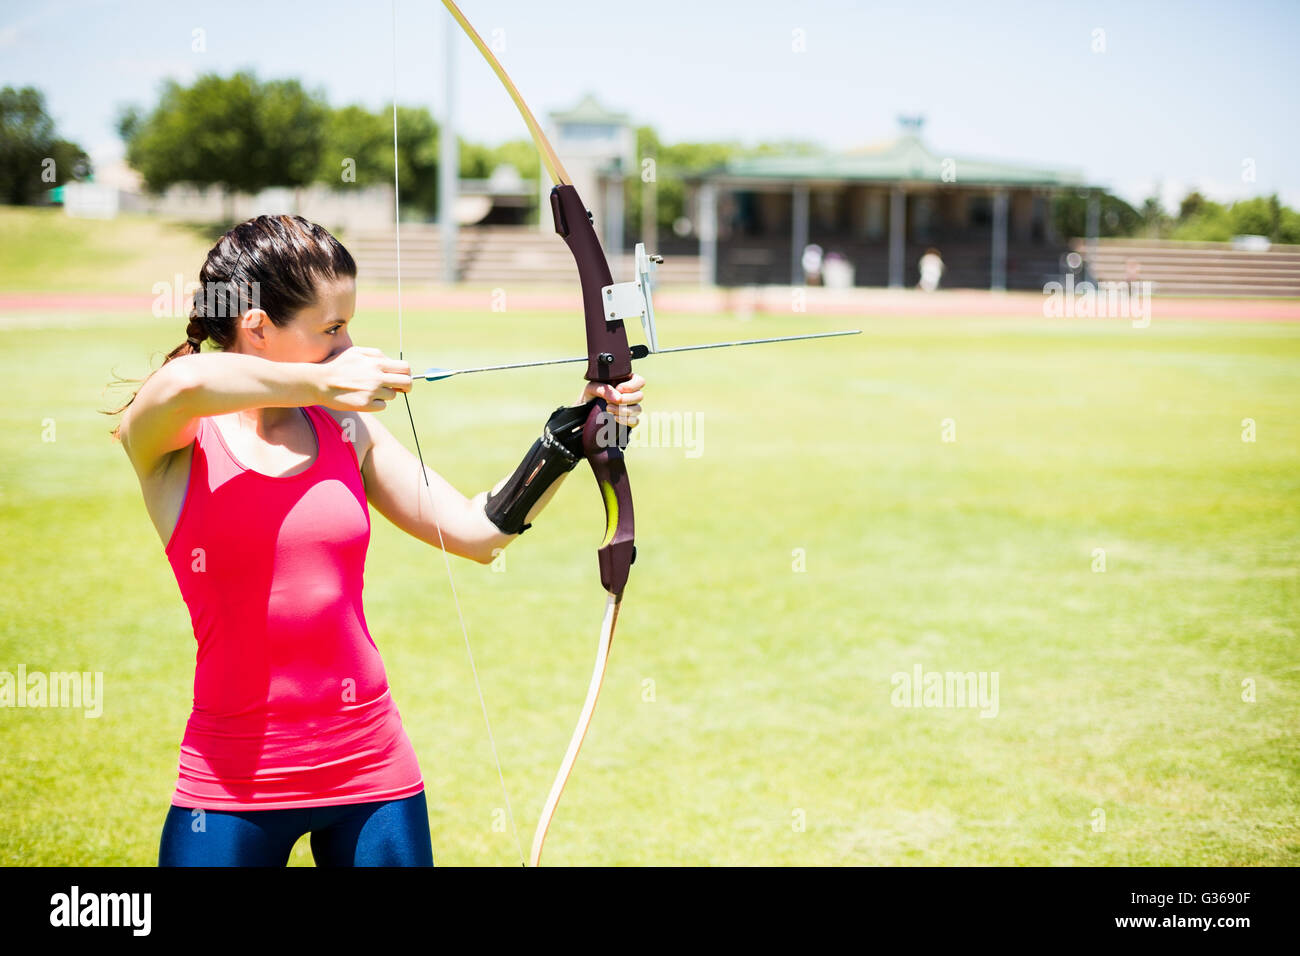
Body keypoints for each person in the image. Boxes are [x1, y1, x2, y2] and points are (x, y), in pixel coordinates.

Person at [112, 214, 644, 866]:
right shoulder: (177, 439)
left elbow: (477, 533)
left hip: (370, 766)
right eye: (331, 329)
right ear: (256, 327)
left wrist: (569, 440)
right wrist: (322, 382)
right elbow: (186, 384)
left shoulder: (345, 428)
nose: (349, 345)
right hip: (230, 781)